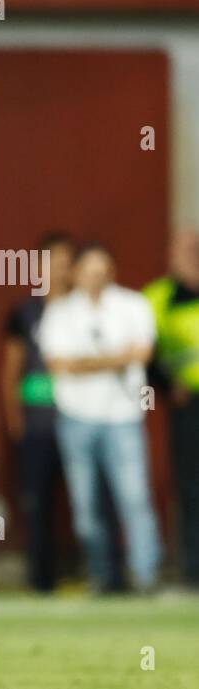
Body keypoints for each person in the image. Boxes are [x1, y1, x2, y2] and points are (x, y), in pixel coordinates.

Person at [39, 244, 161, 592]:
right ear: (77, 274)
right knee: (86, 505)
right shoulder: (60, 313)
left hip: (123, 415)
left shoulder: (133, 305)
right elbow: (59, 364)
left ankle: (144, 575)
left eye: (102, 270)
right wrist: (115, 359)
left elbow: (143, 353)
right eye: (89, 271)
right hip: (77, 416)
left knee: (135, 497)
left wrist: (87, 363)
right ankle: (101, 576)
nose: (96, 278)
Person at [1, 232, 74, 592]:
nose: (60, 271)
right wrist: (15, 418)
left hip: (80, 417)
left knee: (85, 501)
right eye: (53, 263)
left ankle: (95, 574)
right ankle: (41, 580)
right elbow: (11, 370)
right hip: (38, 422)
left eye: (66, 263)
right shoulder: (24, 314)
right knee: (37, 503)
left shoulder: (81, 310)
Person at [143, 229, 199, 588]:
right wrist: (166, 386)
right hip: (188, 406)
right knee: (191, 486)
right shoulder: (157, 298)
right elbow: (143, 350)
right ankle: (193, 568)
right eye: (185, 248)